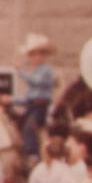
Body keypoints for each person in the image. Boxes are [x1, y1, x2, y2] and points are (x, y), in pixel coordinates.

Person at [13, 33, 58, 161]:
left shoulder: (45, 71)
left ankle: (33, 156)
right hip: (32, 105)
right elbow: (29, 96)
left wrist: (20, 71)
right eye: (31, 55)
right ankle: (26, 153)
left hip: (40, 107)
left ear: (42, 55)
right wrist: (12, 100)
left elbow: (35, 81)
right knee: (20, 126)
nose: (31, 58)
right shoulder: (36, 70)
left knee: (29, 128)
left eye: (34, 54)